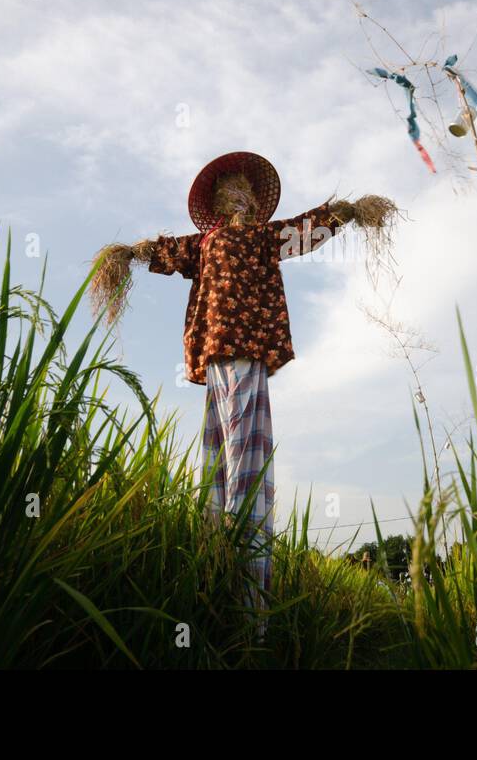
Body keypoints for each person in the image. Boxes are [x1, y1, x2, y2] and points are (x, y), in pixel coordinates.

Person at [90, 151, 397, 641]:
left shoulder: (264, 238)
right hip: (215, 355)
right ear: (217, 200)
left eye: (246, 190)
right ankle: (216, 575)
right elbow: (166, 251)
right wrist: (130, 252)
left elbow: (307, 228)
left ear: (255, 200)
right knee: (219, 460)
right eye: (231, 190)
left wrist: (350, 211)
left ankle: (249, 607)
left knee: (246, 457)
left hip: (249, 353)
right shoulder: (204, 244)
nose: (241, 196)